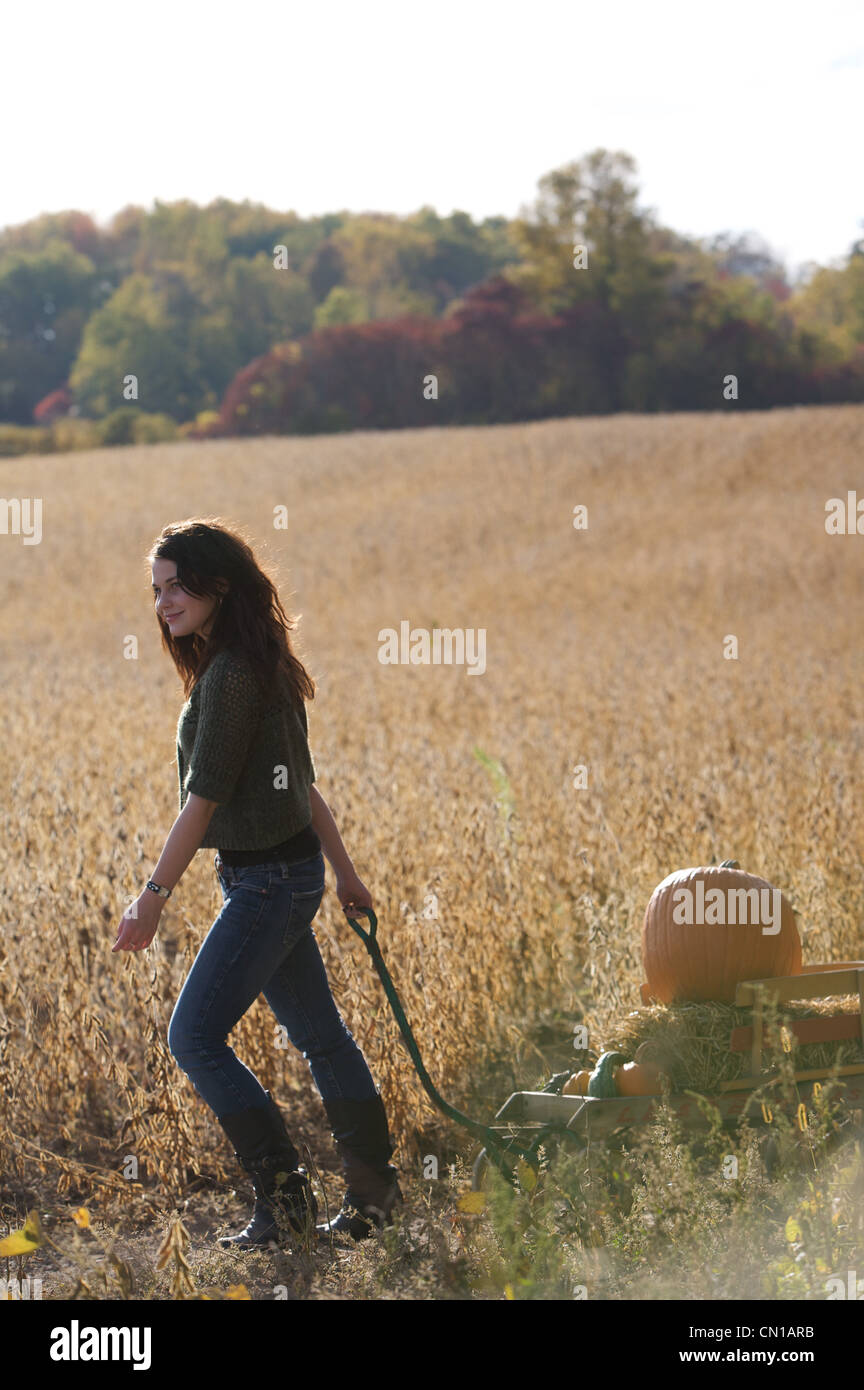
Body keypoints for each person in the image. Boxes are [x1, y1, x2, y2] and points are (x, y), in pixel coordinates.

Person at [112, 516, 403, 1249]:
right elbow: (300, 787)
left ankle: (286, 1203)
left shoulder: (235, 675)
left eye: (178, 585)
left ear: (219, 583)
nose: (165, 601)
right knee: (319, 1036)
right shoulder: (246, 662)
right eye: (156, 589)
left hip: (269, 883)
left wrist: (152, 896)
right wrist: (344, 874)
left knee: (194, 1037)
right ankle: (372, 1200)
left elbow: (202, 799)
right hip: (285, 875)